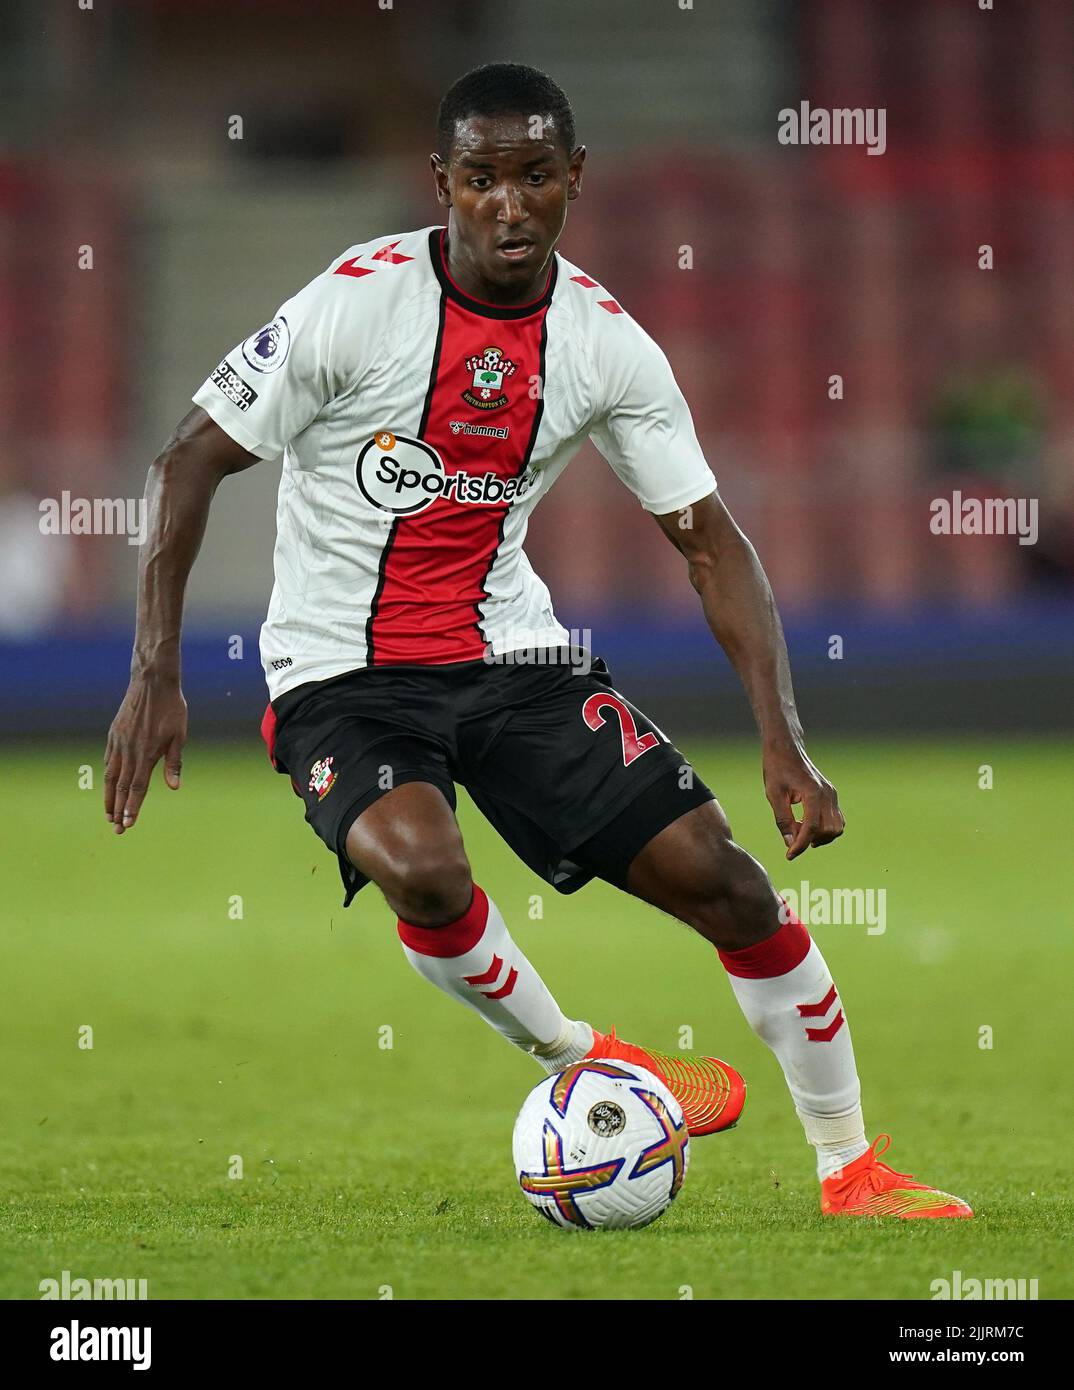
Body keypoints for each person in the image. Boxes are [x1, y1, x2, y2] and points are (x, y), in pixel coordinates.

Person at [105, 62, 970, 1218]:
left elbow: (711, 543)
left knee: (729, 885)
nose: (506, 204)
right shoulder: (355, 300)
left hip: (512, 661)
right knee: (422, 867)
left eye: (531, 177)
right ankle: (584, 1055)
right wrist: (152, 670)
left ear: (573, 180)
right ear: (442, 186)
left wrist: (785, 741)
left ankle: (851, 1168)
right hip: (339, 673)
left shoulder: (607, 345)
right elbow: (188, 459)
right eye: (479, 179)